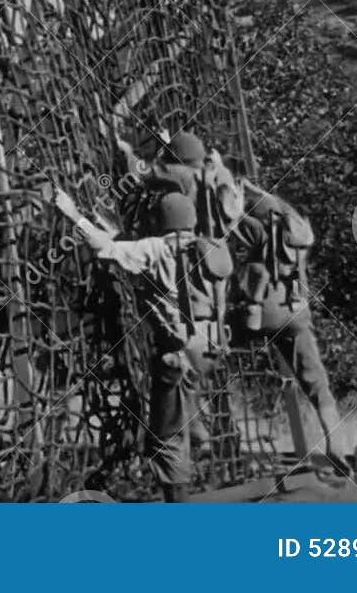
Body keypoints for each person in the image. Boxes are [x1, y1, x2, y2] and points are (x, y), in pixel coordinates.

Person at [52, 187, 220, 502]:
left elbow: (107, 249)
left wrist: (73, 213)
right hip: (209, 347)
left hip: (177, 354)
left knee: (164, 439)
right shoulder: (207, 247)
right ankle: (200, 435)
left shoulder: (157, 248)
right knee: (184, 409)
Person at [226, 179, 349, 473]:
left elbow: (226, 217)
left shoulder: (260, 234)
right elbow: (276, 205)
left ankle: (209, 430)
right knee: (317, 382)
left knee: (208, 348)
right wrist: (250, 187)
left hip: (258, 314)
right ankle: (336, 442)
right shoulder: (300, 239)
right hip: (295, 314)